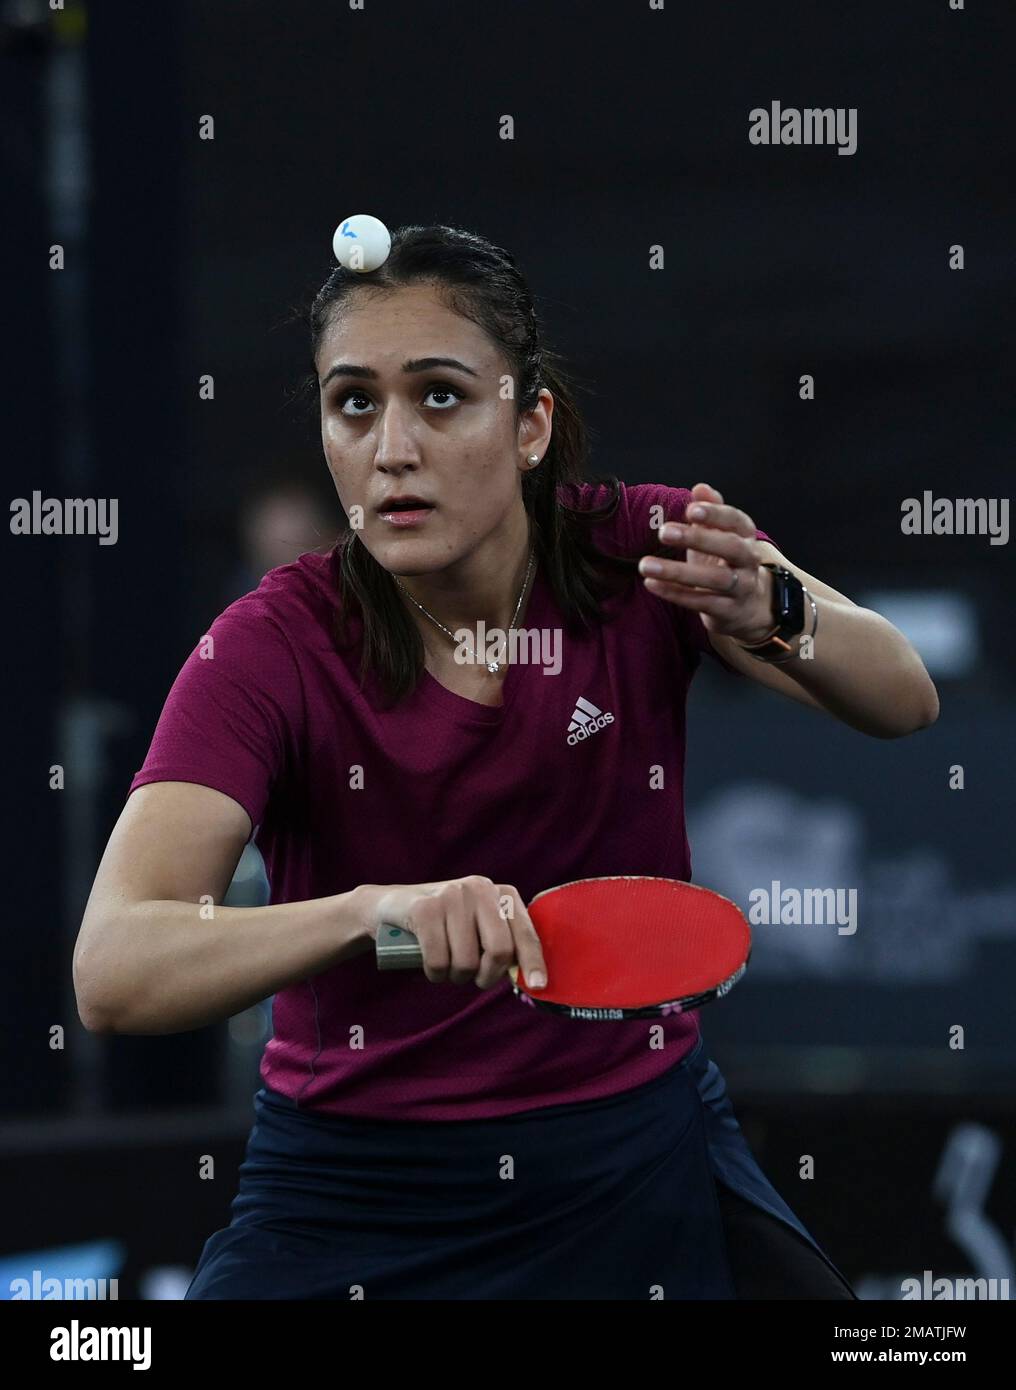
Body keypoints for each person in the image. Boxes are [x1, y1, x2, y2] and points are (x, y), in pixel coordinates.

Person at [72, 224, 939, 1300]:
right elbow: (113, 966)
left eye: (438, 395)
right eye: (354, 403)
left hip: (632, 1153)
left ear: (528, 424)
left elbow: (903, 695)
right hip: (354, 1185)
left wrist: (778, 608)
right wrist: (368, 913)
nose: (392, 446)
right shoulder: (270, 647)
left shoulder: (644, 552)